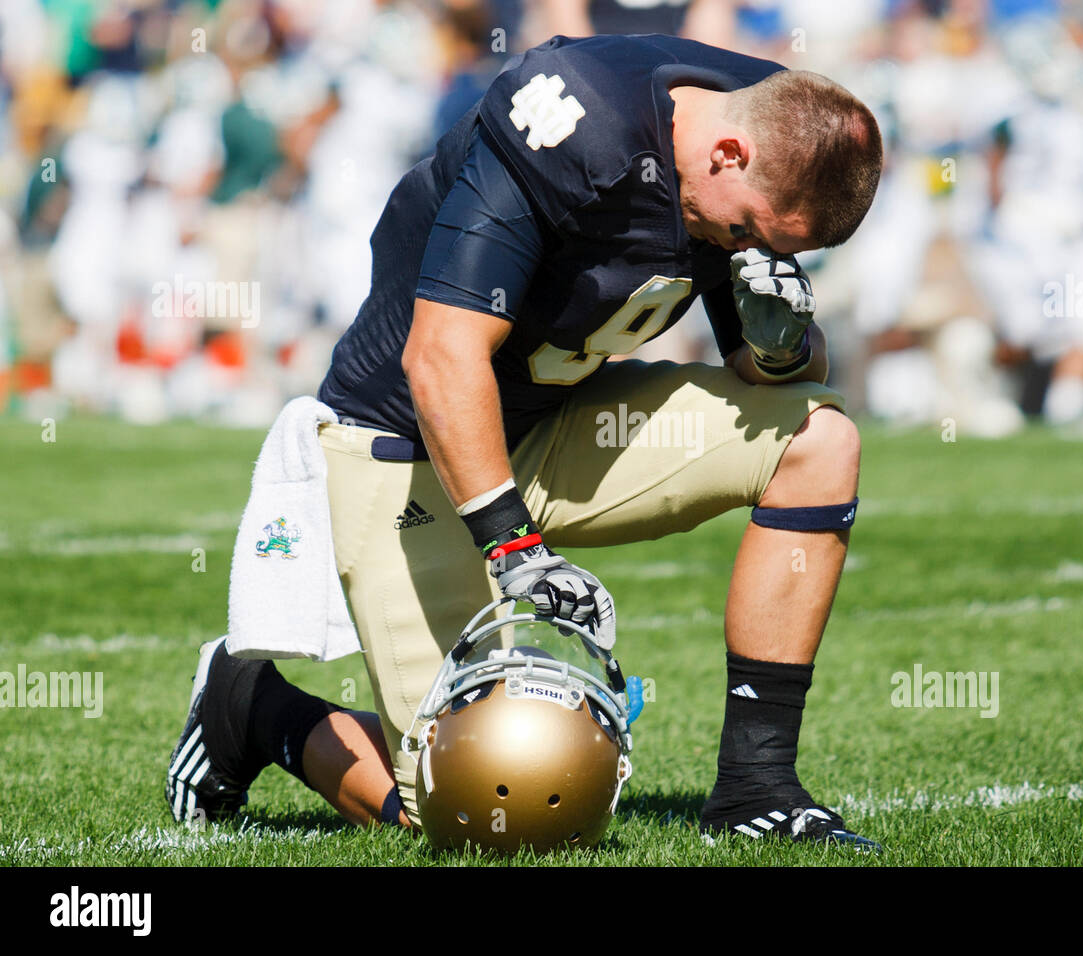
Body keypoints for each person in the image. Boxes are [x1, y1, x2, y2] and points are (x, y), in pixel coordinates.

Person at [166, 33, 884, 848]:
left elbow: (773, 369)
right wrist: (513, 547)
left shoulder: (772, 125)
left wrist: (783, 344)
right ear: (726, 153)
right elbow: (440, 355)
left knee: (819, 439)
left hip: (557, 420)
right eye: (752, 231)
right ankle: (250, 706)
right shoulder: (574, 120)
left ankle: (757, 787)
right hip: (412, 448)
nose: (751, 251)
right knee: (482, 803)